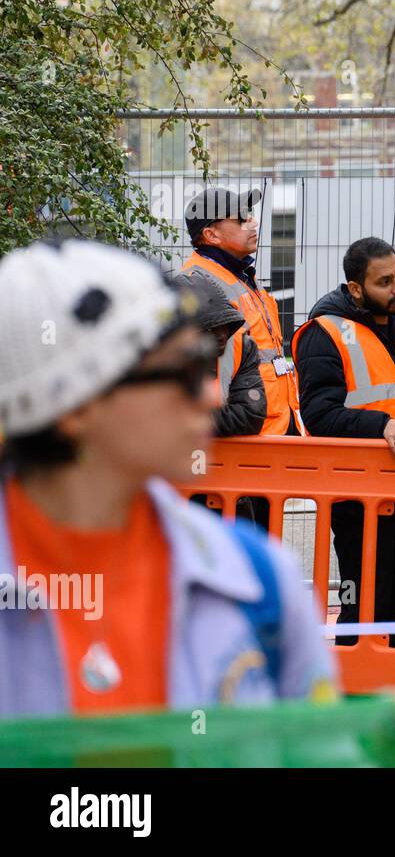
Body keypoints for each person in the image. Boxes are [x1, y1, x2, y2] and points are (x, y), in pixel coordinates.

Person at [0, 239, 335, 716]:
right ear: (76, 405)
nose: (212, 397)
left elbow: (314, 748)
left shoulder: (259, 580)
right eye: (183, 373)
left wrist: (387, 746)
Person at [292, 238, 395, 649]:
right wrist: (381, 425)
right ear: (355, 289)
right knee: (363, 611)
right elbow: (318, 415)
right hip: (359, 496)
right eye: (385, 281)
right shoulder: (325, 333)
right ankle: (357, 703)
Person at [181, 186, 302, 435]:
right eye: (241, 218)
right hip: (244, 434)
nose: (252, 222)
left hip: (276, 425)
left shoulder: (242, 278)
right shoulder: (199, 286)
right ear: (211, 235)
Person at [178, 271, 266, 437]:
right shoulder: (157, 354)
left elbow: (251, 416)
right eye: (211, 328)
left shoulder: (242, 347)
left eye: (225, 324)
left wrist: (184, 421)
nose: (222, 335)